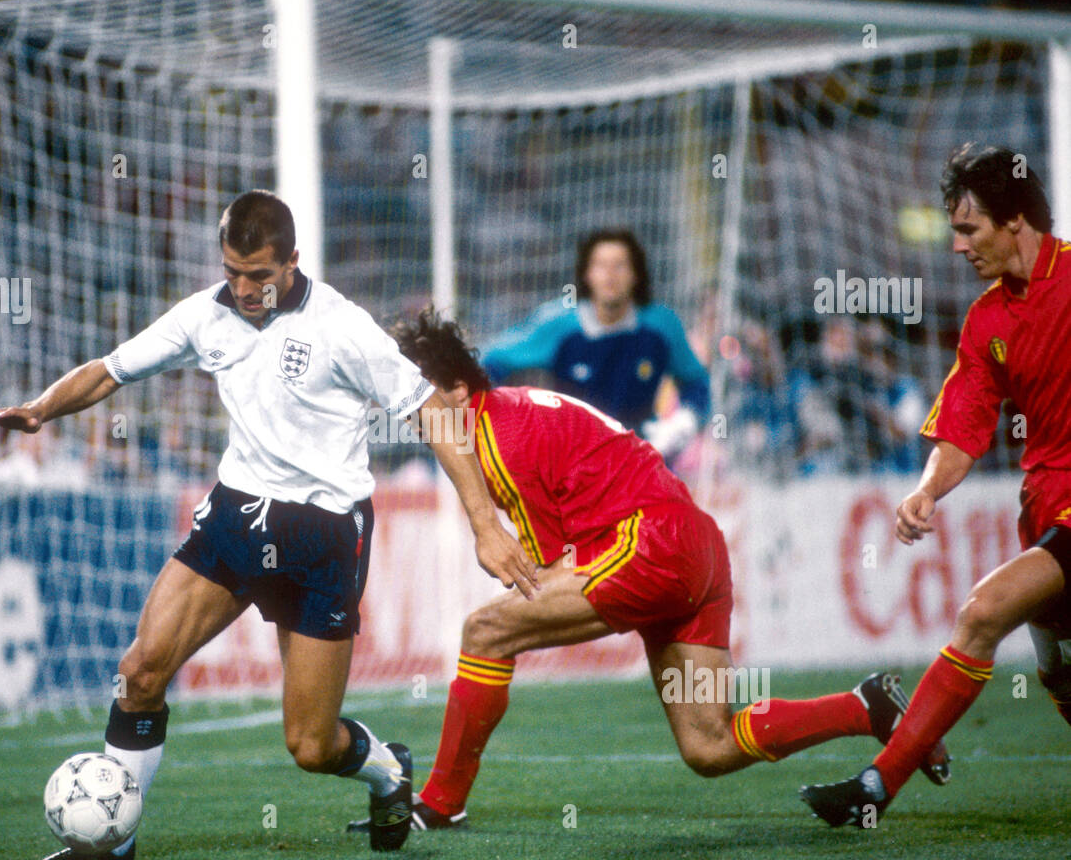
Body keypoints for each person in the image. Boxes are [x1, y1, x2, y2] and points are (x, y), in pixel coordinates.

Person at [0, 191, 537, 858]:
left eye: (258, 276)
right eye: (231, 273)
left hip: (324, 536)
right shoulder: (205, 314)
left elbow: (435, 415)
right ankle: (109, 845)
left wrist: (484, 523)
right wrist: (41, 409)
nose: (242, 290)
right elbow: (110, 371)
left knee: (309, 743)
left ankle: (386, 768)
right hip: (237, 517)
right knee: (141, 671)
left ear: (293, 262)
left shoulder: (343, 327)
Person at [348, 312, 947, 833]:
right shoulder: (514, 412)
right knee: (708, 745)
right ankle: (864, 706)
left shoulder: (492, 438)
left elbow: (546, 567)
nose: (406, 412)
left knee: (486, 633)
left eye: (413, 396)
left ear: (454, 392)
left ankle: (443, 802)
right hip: (696, 551)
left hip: (648, 545)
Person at [800, 143, 1070, 827]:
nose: (956, 245)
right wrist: (926, 491)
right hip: (1043, 503)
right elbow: (964, 426)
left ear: (1015, 221)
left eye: (968, 228)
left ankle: (874, 788)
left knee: (982, 613)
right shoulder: (986, 321)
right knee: (1062, 677)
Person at [481, 229, 709, 457]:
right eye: (600, 265)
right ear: (587, 274)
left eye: (620, 265)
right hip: (572, 461)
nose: (610, 275)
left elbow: (696, 381)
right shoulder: (559, 324)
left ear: (636, 274)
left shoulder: (662, 325)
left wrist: (683, 422)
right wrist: (499, 423)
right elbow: (493, 361)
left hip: (641, 455)